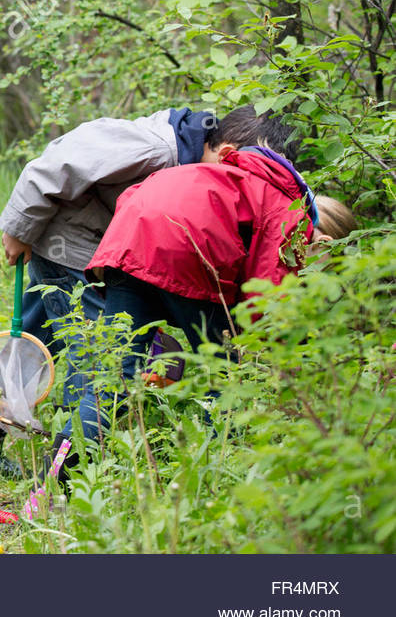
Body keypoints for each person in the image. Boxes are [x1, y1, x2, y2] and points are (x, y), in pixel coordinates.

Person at [0, 105, 302, 476]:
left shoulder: (190, 158)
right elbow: (59, 162)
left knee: (34, 339)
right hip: (71, 245)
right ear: (222, 147)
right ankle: (69, 473)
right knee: (100, 354)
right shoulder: (157, 147)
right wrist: (18, 227)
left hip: (103, 247)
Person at [84, 148, 355, 435]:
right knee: (227, 378)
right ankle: (219, 461)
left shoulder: (251, 183)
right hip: (183, 243)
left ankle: (57, 465)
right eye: (323, 271)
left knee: (115, 378)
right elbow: (266, 303)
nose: (310, 280)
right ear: (324, 243)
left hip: (129, 235)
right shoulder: (292, 220)